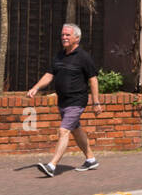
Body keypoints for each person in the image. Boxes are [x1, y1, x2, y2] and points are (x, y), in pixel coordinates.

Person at [27, 23, 101, 177]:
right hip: (63, 101)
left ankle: (52, 166)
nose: (64, 37)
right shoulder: (59, 56)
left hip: (77, 100)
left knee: (64, 130)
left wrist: (96, 103)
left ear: (77, 38)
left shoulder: (83, 57)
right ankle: (91, 159)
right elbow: (49, 74)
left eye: (67, 35)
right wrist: (36, 87)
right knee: (76, 130)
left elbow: (93, 80)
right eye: (62, 35)